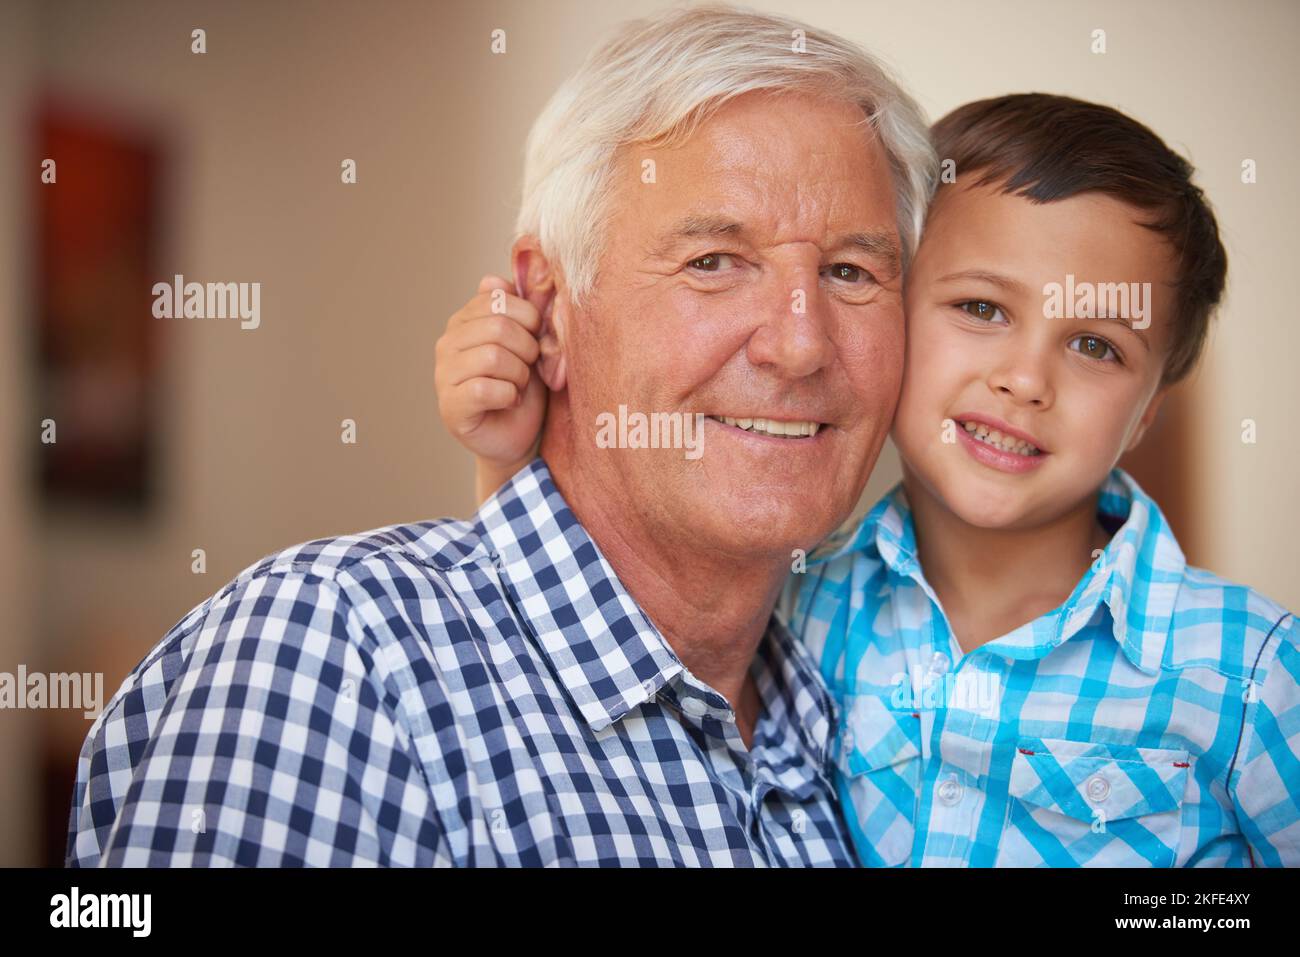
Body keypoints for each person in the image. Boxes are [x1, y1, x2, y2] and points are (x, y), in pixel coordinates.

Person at [67, 6, 936, 867]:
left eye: (851, 272)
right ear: (549, 311)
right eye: (713, 261)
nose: (800, 342)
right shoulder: (332, 653)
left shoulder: (864, 740)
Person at [437, 93, 1299, 866]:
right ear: (885, 317)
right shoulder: (799, 605)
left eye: (1096, 347)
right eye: (982, 309)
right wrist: (512, 452)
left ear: (1144, 414)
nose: (1027, 378)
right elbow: (581, 650)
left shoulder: (1249, 670)